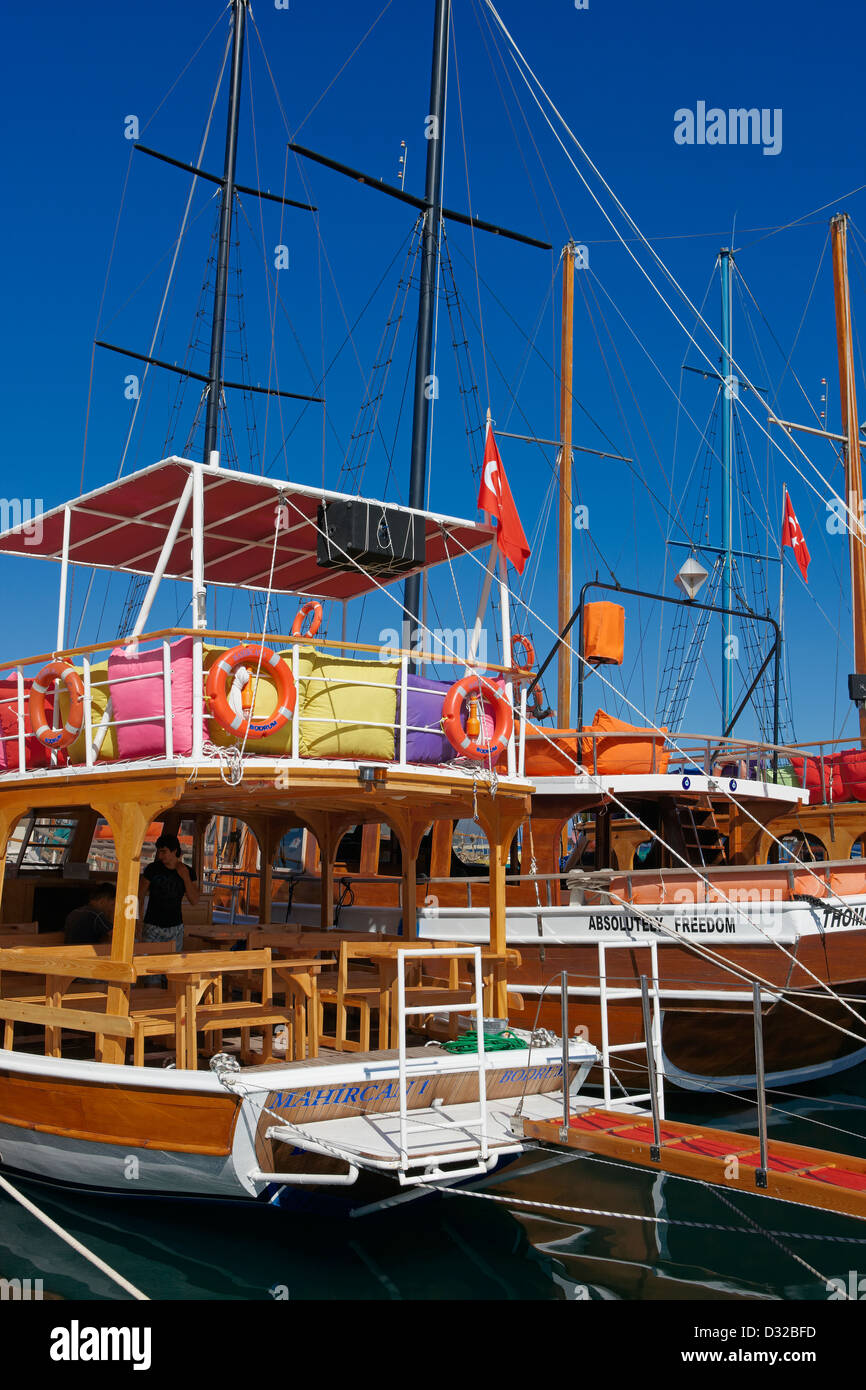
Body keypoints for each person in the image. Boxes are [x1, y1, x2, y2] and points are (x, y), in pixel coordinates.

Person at [140, 832, 199, 960]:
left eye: (163, 852)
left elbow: (194, 900)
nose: (160, 856)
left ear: (174, 851)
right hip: (152, 925)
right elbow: (139, 896)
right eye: (159, 852)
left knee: (172, 969)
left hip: (175, 927)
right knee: (150, 969)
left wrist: (185, 878)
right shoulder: (152, 869)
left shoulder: (189, 872)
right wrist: (136, 922)